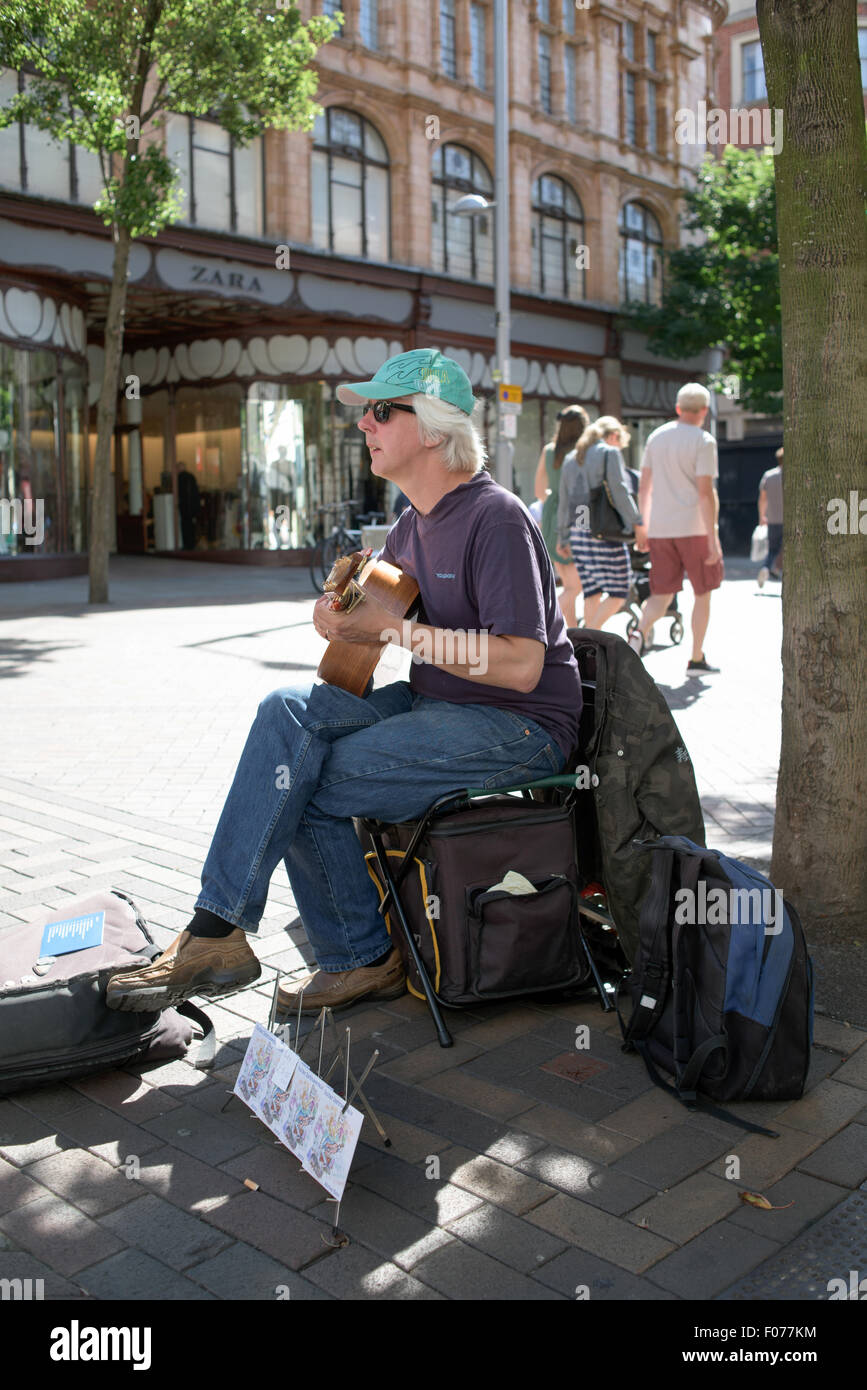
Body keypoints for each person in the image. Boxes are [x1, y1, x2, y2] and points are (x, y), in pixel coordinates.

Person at [105, 349, 583, 1017]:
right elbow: (363, 609)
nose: (365, 423)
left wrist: (392, 631)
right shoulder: (413, 522)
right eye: (366, 412)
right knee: (285, 712)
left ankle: (347, 956)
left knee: (305, 782)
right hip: (439, 702)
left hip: (519, 725)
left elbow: (521, 664)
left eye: (382, 411)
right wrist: (333, 611)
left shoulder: (495, 518)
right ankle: (222, 932)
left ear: (434, 429)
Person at [630, 383, 723, 675]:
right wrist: (713, 537)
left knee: (661, 594)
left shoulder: (656, 438)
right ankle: (696, 658)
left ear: (678, 408)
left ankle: (638, 635)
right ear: (704, 411)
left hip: (660, 527)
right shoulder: (703, 441)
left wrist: (642, 525)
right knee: (702, 593)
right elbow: (705, 492)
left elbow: (644, 486)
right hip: (694, 527)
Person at [557, 416, 641, 630]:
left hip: (579, 531)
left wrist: (563, 536)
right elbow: (619, 490)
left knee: (592, 592)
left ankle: (590, 650)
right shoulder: (609, 452)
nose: (618, 446)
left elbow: (565, 500)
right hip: (603, 532)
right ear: (613, 435)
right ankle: (588, 633)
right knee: (619, 591)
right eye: (619, 441)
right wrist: (636, 522)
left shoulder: (572, 457)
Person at [534, 405, 589, 627]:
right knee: (576, 587)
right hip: (576, 516)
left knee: (568, 582)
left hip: (551, 515)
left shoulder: (549, 451)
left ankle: (573, 634)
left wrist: (553, 498)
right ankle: (544, 618)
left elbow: (539, 492)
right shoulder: (583, 452)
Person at [757, 447, 783, 587]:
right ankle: (777, 569)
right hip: (787, 520)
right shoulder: (793, 476)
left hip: (772, 518)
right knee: (786, 548)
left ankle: (766, 567)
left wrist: (762, 516)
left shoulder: (769, 476)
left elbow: (762, 498)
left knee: (772, 549)